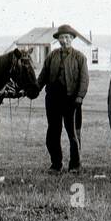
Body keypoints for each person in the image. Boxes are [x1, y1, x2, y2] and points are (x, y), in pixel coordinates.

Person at [37, 24, 89, 172]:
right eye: (61, 37)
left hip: (71, 100)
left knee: (73, 133)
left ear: (72, 39)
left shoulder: (80, 57)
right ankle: (56, 164)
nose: (64, 40)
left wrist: (79, 96)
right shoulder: (51, 56)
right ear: (58, 39)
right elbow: (42, 77)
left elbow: (84, 80)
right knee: (53, 133)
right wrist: (34, 90)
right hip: (53, 99)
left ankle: (75, 165)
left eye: (67, 37)